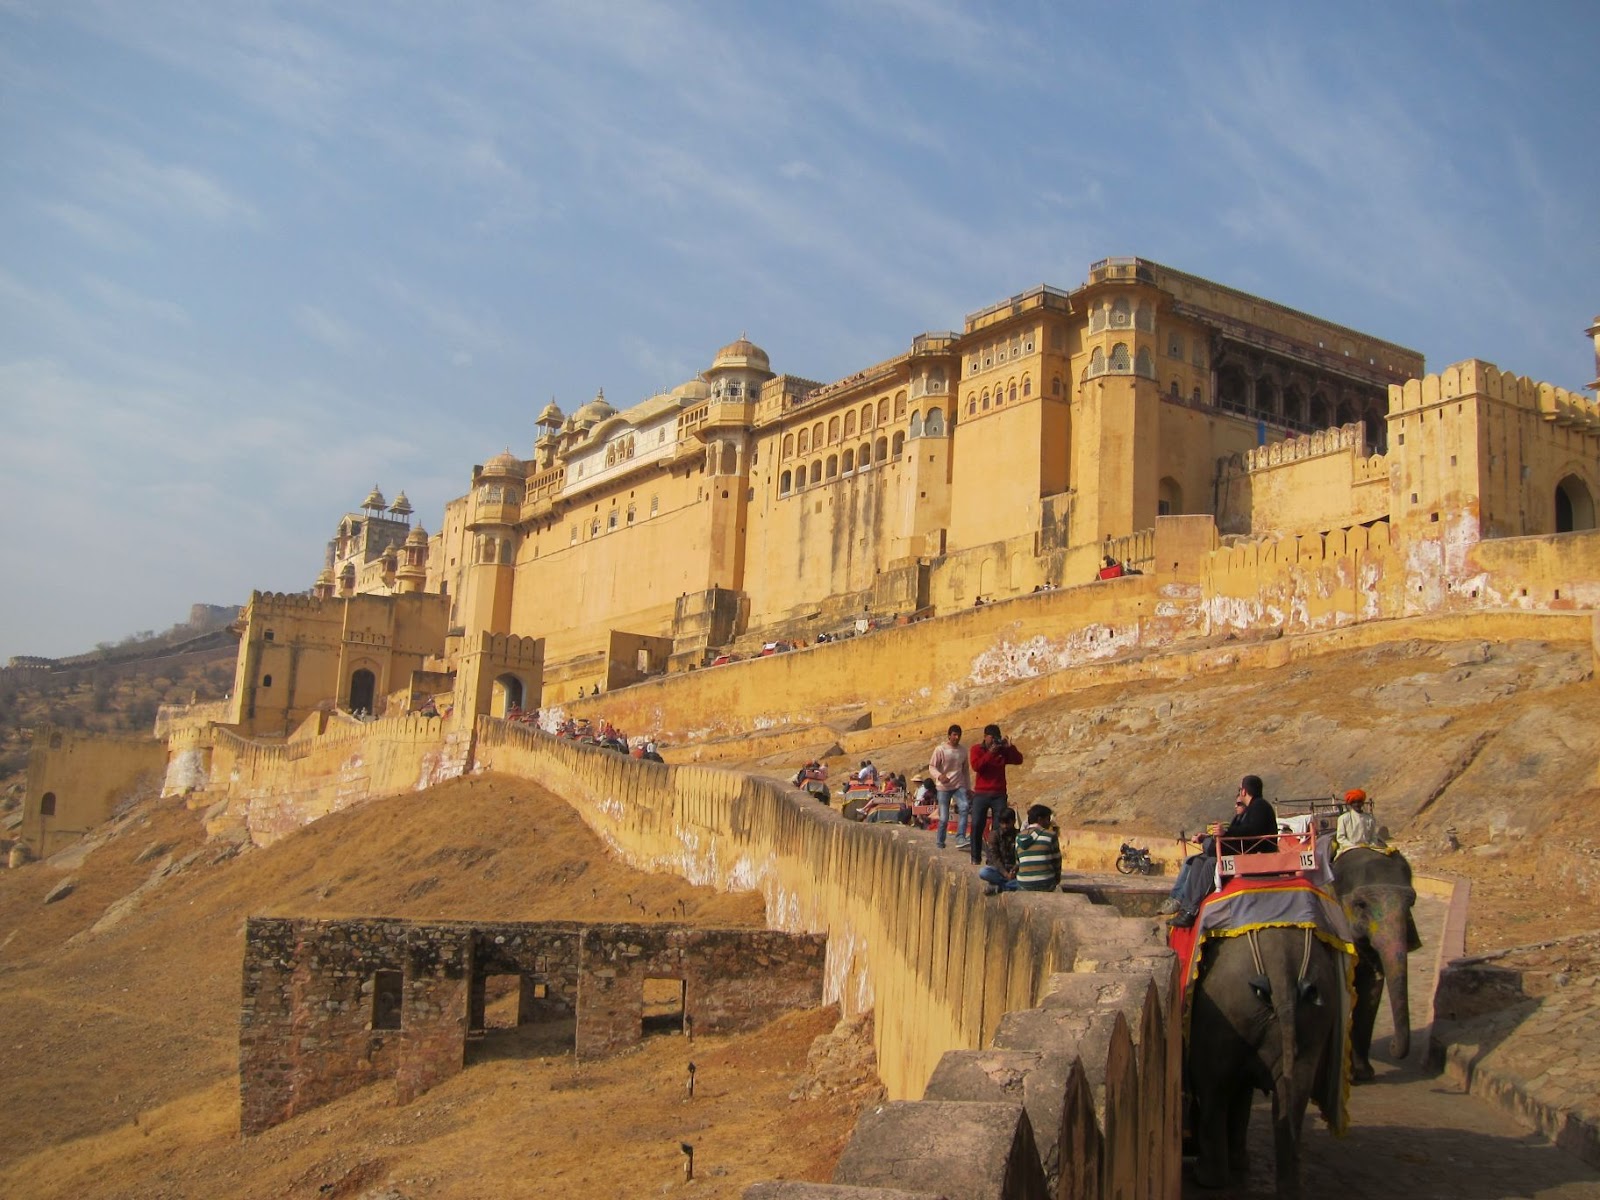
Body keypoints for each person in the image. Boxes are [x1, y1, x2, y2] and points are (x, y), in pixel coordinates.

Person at [1164, 775, 1278, 927]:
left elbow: (1252, 832)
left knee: (1211, 863)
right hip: (1244, 854)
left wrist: (1225, 833)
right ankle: (1186, 908)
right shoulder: (1250, 810)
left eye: (1239, 790)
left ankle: (1191, 911)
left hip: (1256, 857)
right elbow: (1239, 832)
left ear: (1244, 791)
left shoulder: (1260, 807)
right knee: (1198, 861)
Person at [968, 724, 1024, 867]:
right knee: (977, 824)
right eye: (992, 738)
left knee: (999, 828)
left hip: (999, 794)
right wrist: (990, 753)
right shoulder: (976, 749)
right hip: (981, 793)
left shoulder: (1002, 751)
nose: (994, 741)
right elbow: (976, 766)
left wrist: (1010, 747)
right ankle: (975, 857)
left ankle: (993, 859)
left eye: (996, 738)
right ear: (985, 737)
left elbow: (1018, 760)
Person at [928, 724, 972, 851]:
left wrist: (968, 787)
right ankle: (940, 841)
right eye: (954, 735)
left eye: (959, 735)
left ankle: (960, 837)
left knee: (964, 807)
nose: (956, 737)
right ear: (949, 736)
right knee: (944, 818)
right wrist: (939, 776)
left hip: (958, 785)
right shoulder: (940, 749)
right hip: (943, 787)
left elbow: (965, 770)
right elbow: (932, 766)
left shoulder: (963, 751)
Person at [1015, 804, 1063, 891]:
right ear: (1040, 819)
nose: (1049, 823)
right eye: (1048, 819)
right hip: (1045, 883)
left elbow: (1018, 861)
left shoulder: (1018, 837)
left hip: (1023, 883)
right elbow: (1057, 861)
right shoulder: (1050, 835)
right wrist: (1057, 879)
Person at [979, 808, 1020, 894]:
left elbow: (1021, 857)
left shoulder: (1019, 835)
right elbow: (995, 858)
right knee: (984, 872)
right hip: (998, 869)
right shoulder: (994, 835)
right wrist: (1006, 874)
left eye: (1007, 823)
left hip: (1014, 870)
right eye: (1002, 823)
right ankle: (1008, 885)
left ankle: (1001, 887)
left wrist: (1014, 869)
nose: (1005, 826)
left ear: (1014, 821)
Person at [1335, 789, 1382, 855]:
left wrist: (1371, 846)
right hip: (1348, 849)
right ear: (1351, 804)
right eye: (1354, 802)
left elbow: (1373, 836)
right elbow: (1341, 838)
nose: (1357, 804)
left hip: (1368, 848)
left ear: (1362, 803)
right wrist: (1354, 847)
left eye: (1359, 802)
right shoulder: (1343, 818)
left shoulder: (1369, 819)